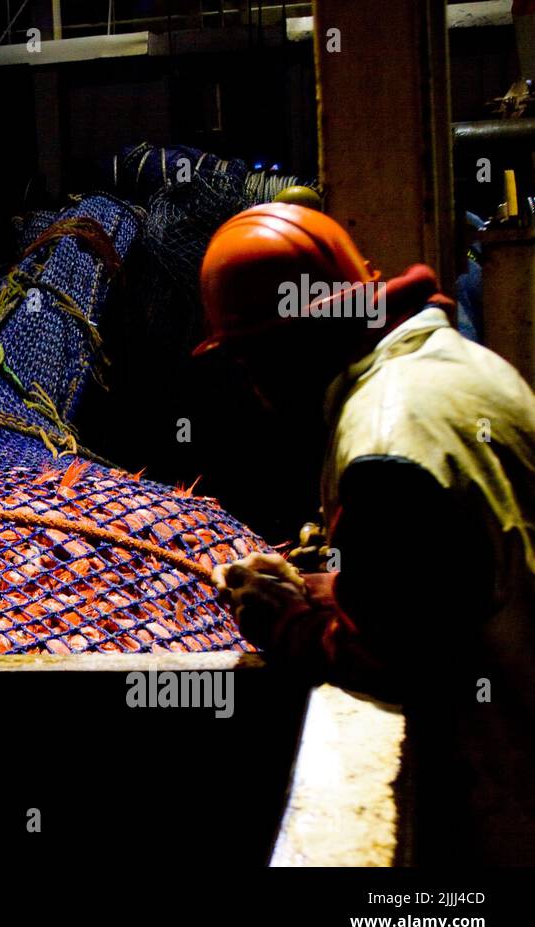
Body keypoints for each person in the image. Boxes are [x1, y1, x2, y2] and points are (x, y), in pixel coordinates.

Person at [197, 202, 535, 864]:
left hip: (505, 797)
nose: (254, 388)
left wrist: (284, 619)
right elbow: (445, 579)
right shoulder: (465, 367)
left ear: (279, 348)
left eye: (248, 362)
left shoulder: (383, 440)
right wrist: (332, 589)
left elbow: (396, 657)